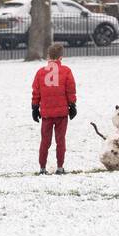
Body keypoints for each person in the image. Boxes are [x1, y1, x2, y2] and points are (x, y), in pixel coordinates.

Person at [32, 43, 77, 173]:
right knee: (60, 141)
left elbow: (36, 92)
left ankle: (42, 168)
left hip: (46, 113)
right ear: (61, 57)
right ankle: (60, 167)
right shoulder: (66, 71)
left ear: (48, 56)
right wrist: (72, 105)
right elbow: (70, 90)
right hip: (62, 112)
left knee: (45, 141)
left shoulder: (40, 72)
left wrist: (35, 107)